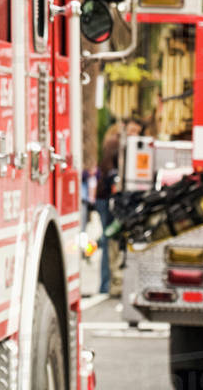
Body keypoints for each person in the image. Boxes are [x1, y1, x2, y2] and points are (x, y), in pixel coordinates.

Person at [94, 119, 125, 294]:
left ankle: (108, 283)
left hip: (105, 198)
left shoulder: (112, 143)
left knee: (109, 239)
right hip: (107, 198)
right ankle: (107, 284)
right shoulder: (114, 143)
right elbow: (110, 170)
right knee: (109, 239)